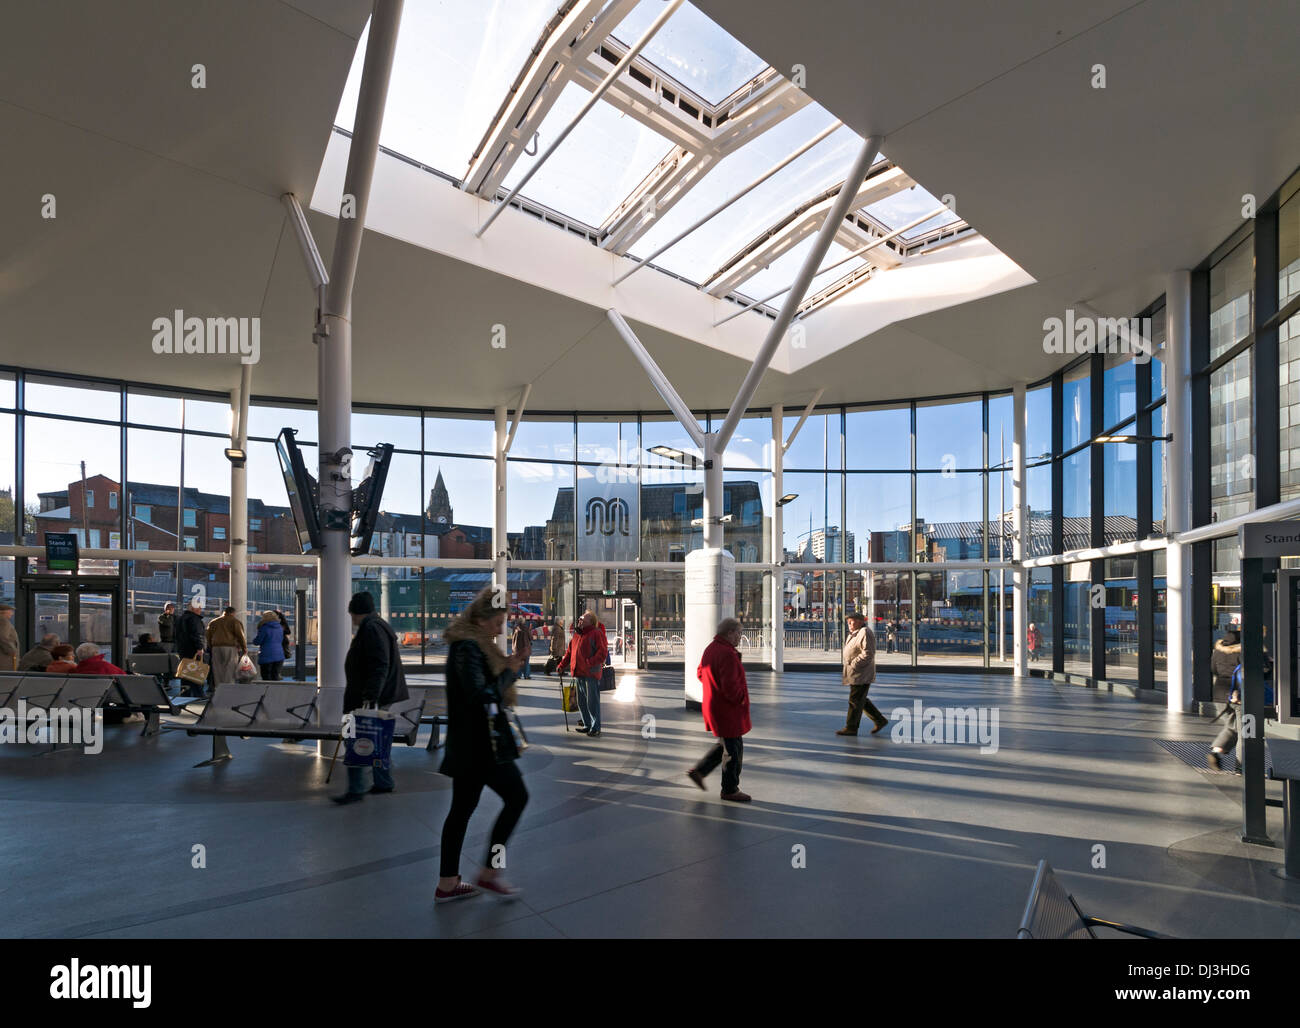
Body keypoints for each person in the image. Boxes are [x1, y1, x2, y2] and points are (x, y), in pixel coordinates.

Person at [436, 586, 528, 903]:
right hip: (481, 747)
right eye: (498, 622)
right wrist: (510, 673)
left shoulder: (475, 645)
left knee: (460, 811)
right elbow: (482, 697)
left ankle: (448, 883)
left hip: (470, 746)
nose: (502, 629)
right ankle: (490, 872)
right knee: (517, 798)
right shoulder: (468, 648)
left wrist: (507, 670)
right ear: (482, 619)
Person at [334, 591, 409, 804]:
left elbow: (379, 666)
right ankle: (383, 782)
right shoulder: (377, 625)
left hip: (366, 698)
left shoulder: (372, 628)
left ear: (357, 613)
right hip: (372, 695)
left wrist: (370, 697)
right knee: (378, 740)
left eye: (352, 615)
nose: (352, 620)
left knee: (354, 738)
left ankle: (356, 789)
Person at [687, 617, 752, 802]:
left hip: (715, 706)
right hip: (727, 709)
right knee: (734, 749)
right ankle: (730, 789)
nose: (740, 637)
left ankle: (699, 772)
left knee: (726, 743)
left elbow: (700, 672)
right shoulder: (727, 654)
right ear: (730, 633)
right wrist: (740, 698)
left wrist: (712, 687)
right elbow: (731, 687)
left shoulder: (711, 648)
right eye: (739, 633)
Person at [837, 609, 887, 736]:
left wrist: (854, 664)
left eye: (851, 622)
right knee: (860, 699)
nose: (849, 624)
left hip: (860, 673)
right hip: (855, 673)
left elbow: (868, 653)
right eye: (848, 622)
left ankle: (851, 727)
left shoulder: (865, 632)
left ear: (860, 622)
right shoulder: (854, 633)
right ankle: (880, 720)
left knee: (855, 700)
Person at [558, 611, 608, 737]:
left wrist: (590, 662)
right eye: (580, 618)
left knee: (592, 702)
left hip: (591, 673)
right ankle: (587, 725)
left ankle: (595, 727)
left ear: (590, 621)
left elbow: (602, 653)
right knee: (582, 702)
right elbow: (569, 653)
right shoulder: (577, 635)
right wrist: (561, 665)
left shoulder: (596, 633)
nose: (579, 620)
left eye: (582, 619)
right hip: (579, 673)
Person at [1208, 624, 1243, 771]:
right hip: (1238, 694)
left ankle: (1216, 751)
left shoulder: (1218, 650)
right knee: (1243, 732)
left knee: (1231, 726)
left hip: (1220, 693)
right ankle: (1241, 767)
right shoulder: (1243, 651)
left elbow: (1213, 670)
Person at [205, 605, 247, 688]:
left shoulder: (213, 622)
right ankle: (228, 687)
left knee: (217, 669)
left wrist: (210, 646)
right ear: (233, 613)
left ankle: (219, 687)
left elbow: (208, 635)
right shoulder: (235, 621)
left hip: (216, 647)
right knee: (230, 668)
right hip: (230, 647)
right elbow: (240, 636)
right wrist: (244, 647)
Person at [253, 610, 286, 681]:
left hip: (267, 655)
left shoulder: (264, 628)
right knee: (275, 676)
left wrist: (254, 640)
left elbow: (258, 641)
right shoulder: (280, 627)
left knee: (266, 677)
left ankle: (267, 691)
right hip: (279, 655)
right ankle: (275, 691)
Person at [0, 604, 18, 671]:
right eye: (10, 611)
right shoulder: (3, 620)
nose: (12, 613)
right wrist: (12, 651)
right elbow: (2, 637)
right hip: (6, 660)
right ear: (3, 612)